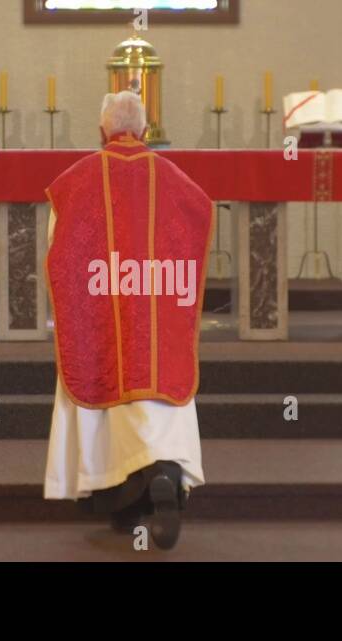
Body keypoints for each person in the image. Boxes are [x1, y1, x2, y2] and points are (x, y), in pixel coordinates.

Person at [43, 91, 213, 550]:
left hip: (102, 310)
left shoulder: (76, 183)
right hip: (157, 309)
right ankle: (165, 474)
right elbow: (196, 226)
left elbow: (60, 256)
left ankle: (122, 497)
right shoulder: (175, 180)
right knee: (160, 395)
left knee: (108, 398)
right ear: (144, 131)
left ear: (102, 132)